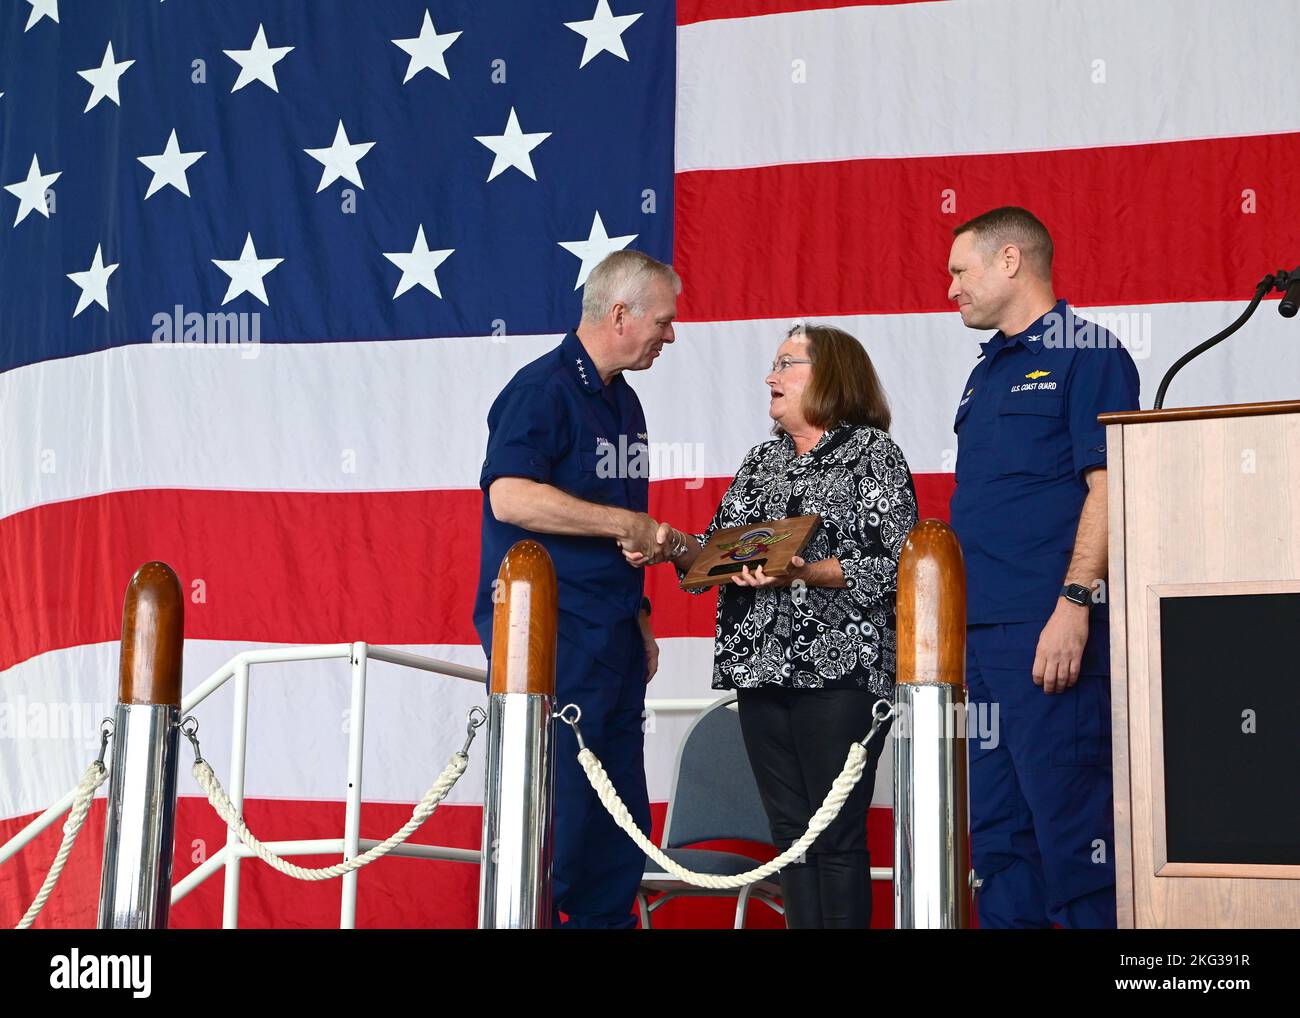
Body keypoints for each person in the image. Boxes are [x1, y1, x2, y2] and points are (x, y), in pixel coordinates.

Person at [626, 324, 918, 928]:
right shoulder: (763, 460)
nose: (771, 377)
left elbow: (896, 565)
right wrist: (668, 545)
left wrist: (806, 572)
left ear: (830, 375)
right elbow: (718, 555)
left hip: (841, 672)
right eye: (773, 364)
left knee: (834, 835)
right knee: (790, 837)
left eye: (787, 364)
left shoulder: (872, 453)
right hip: (760, 669)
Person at [472, 249, 680, 928]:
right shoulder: (541, 390)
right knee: (557, 822)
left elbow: (629, 538)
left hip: (614, 639)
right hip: (552, 645)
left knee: (618, 823)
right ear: (620, 315)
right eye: (663, 321)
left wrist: (643, 614)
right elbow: (508, 496)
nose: (670, 336)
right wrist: (621, 520)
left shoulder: (628, 404)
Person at [945, 206, 1139, 928]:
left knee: (1073, 835)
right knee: (999, 844)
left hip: (1049, 627)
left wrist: (1074, 602)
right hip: (984, 638)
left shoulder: (1089, 352)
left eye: (960, 271)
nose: (952, 288)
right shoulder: (986, 370)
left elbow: (1108, 485)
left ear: (1010, 261)